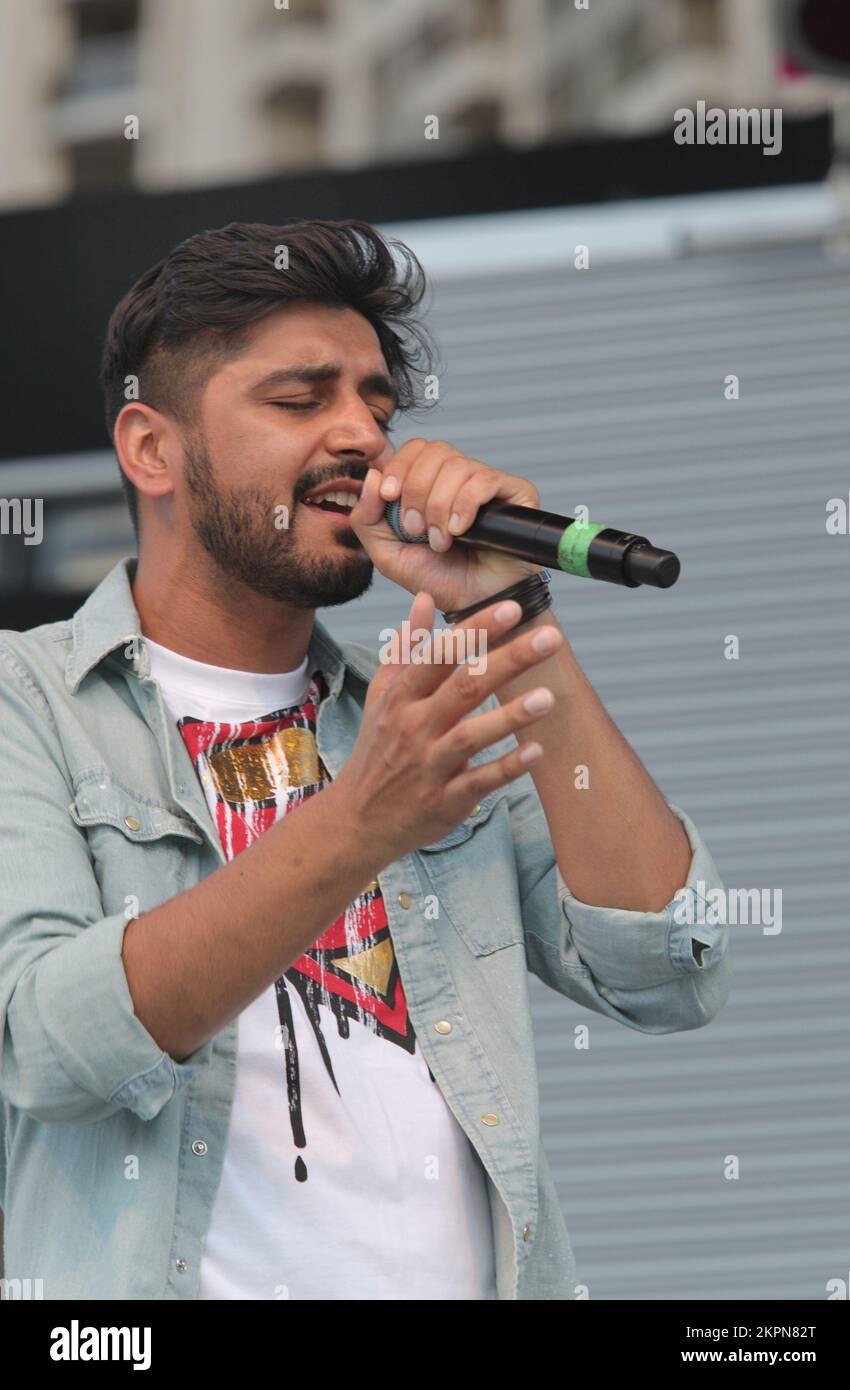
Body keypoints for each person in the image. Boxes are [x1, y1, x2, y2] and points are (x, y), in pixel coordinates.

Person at [0, 219, 730, 1301]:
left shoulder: (417, 704)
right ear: (151, 448)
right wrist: (361, 820)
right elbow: (53, 1044)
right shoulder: (33, 699)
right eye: (300, 401)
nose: (360, 436)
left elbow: (667, 966)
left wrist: (508, 606)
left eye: (376, 405)